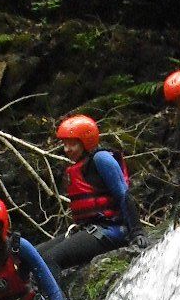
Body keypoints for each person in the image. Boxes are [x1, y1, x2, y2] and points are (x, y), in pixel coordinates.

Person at [37, 116, 145, 274]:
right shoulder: (79, 166)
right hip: (89, 229)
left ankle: (57, 299)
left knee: (49, 260)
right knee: (34, 256)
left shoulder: (101, 159)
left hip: (111, 231)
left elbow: (124, 195)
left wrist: (137, 231)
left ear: (85, 141)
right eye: (65, 144)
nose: (66, 149)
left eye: (72, 144)